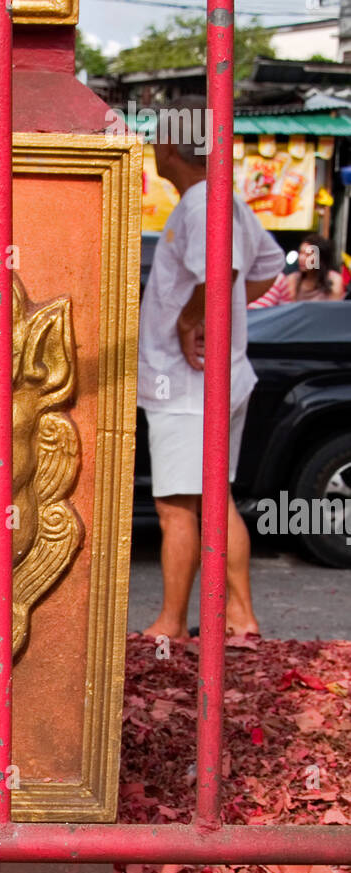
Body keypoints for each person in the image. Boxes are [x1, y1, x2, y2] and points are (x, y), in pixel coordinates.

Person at [139, 101, 284, 640]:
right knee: (212, 498)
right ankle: (240, 620)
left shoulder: (202, 203)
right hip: (217, 375)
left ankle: (173, 623)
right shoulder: (226, 203)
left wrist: (194, 318)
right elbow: (266, 268)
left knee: (177, 506)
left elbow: (218, 268)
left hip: (189, 381)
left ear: (171, 149)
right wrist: (221, 312)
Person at [251, 234, 345, 308]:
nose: (301, 258)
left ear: (320, 258)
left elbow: (333, 311)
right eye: (301, 253)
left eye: (308, 254)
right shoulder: (292, 280)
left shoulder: (334, 280)